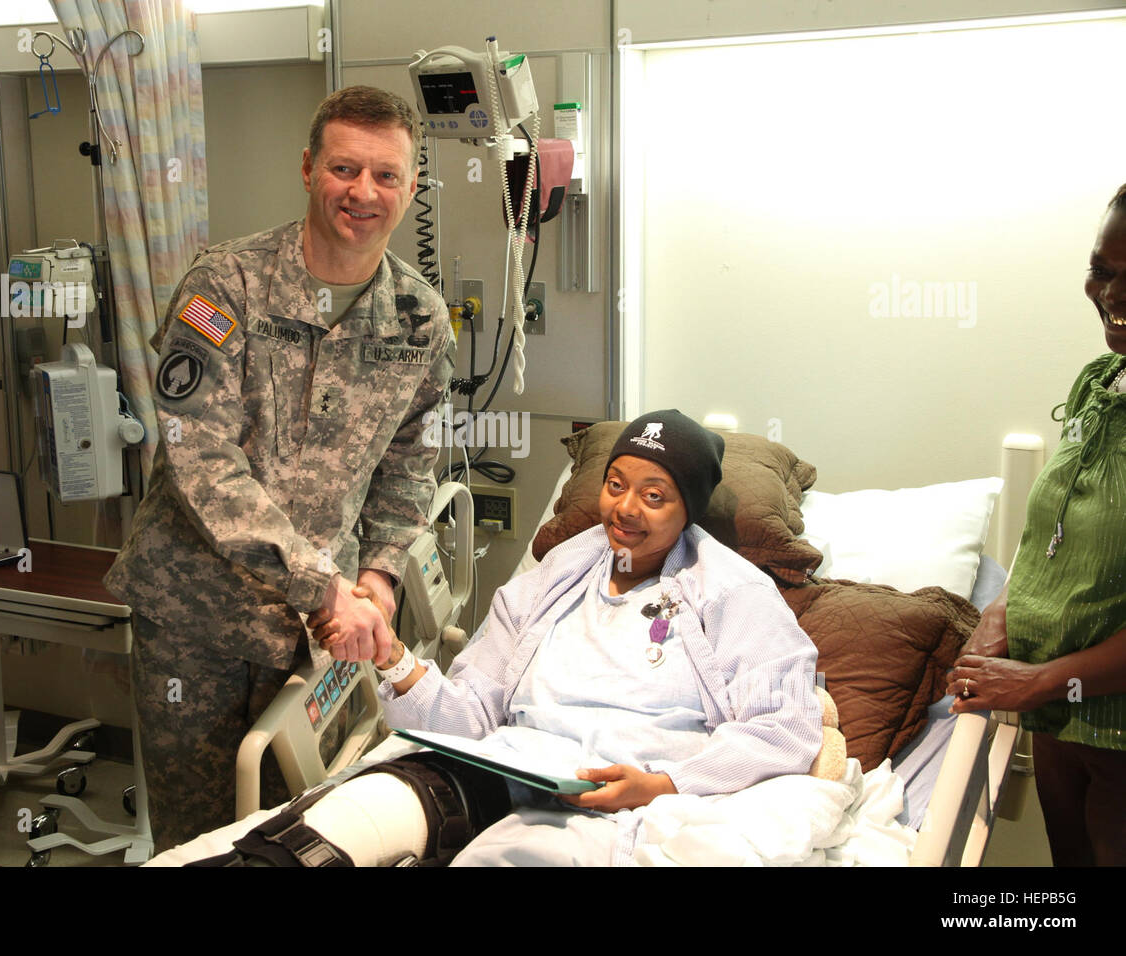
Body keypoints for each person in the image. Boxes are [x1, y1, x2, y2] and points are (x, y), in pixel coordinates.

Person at [103, 86, 454, 851]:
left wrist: (380, 580)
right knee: (197, 843)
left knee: (301, 838)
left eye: (386, 176)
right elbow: (199, 455)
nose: (363, 193)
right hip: (196, 623)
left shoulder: (419, 320)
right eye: (344, 169)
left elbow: (408, 468)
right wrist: (324, 584)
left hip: (319, 632)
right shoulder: (226, 284)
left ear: (411, 188)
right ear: (308, 169)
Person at [235, 411, 821, 867]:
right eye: (615, 484)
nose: (625, 509)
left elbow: (785, 727)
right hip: (506, 772)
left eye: (654, 496)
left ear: (686, 509)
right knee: (326, 829)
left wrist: (661, 785)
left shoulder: (732, 593)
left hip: (609, 805)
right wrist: (393, 656)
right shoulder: (555, 576)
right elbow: (470, 719)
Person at [949, 185, 1126, 867]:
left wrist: (1037, 681)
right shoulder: (1100, 382)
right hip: (1059, 719)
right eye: (1102, 270)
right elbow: (1053, 534)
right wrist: (1002, 611)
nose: (1112, 295)